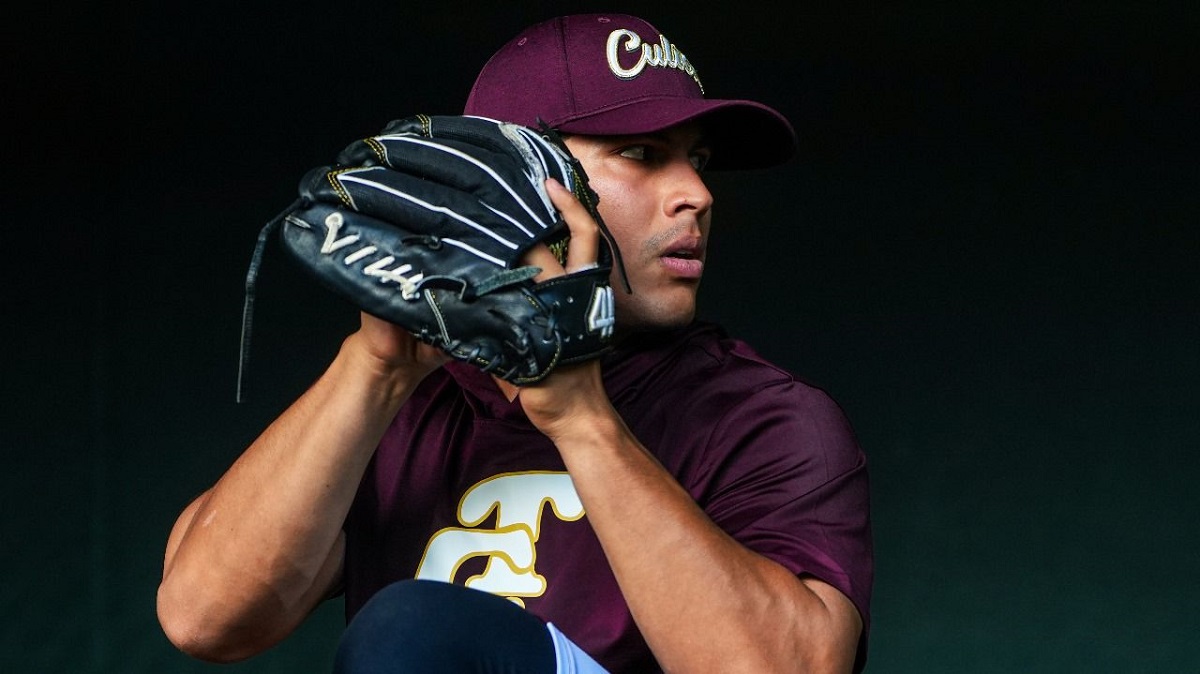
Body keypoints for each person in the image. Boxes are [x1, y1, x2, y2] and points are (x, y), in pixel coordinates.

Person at [157, 13, 873, 673]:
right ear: (514, 177)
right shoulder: (409, 407)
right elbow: (204, 617)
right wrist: (375, 367)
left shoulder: (761, 415)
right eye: (642, 153)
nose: (696, 193)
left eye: (699, 159)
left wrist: (581, 419)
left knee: (415, 629)